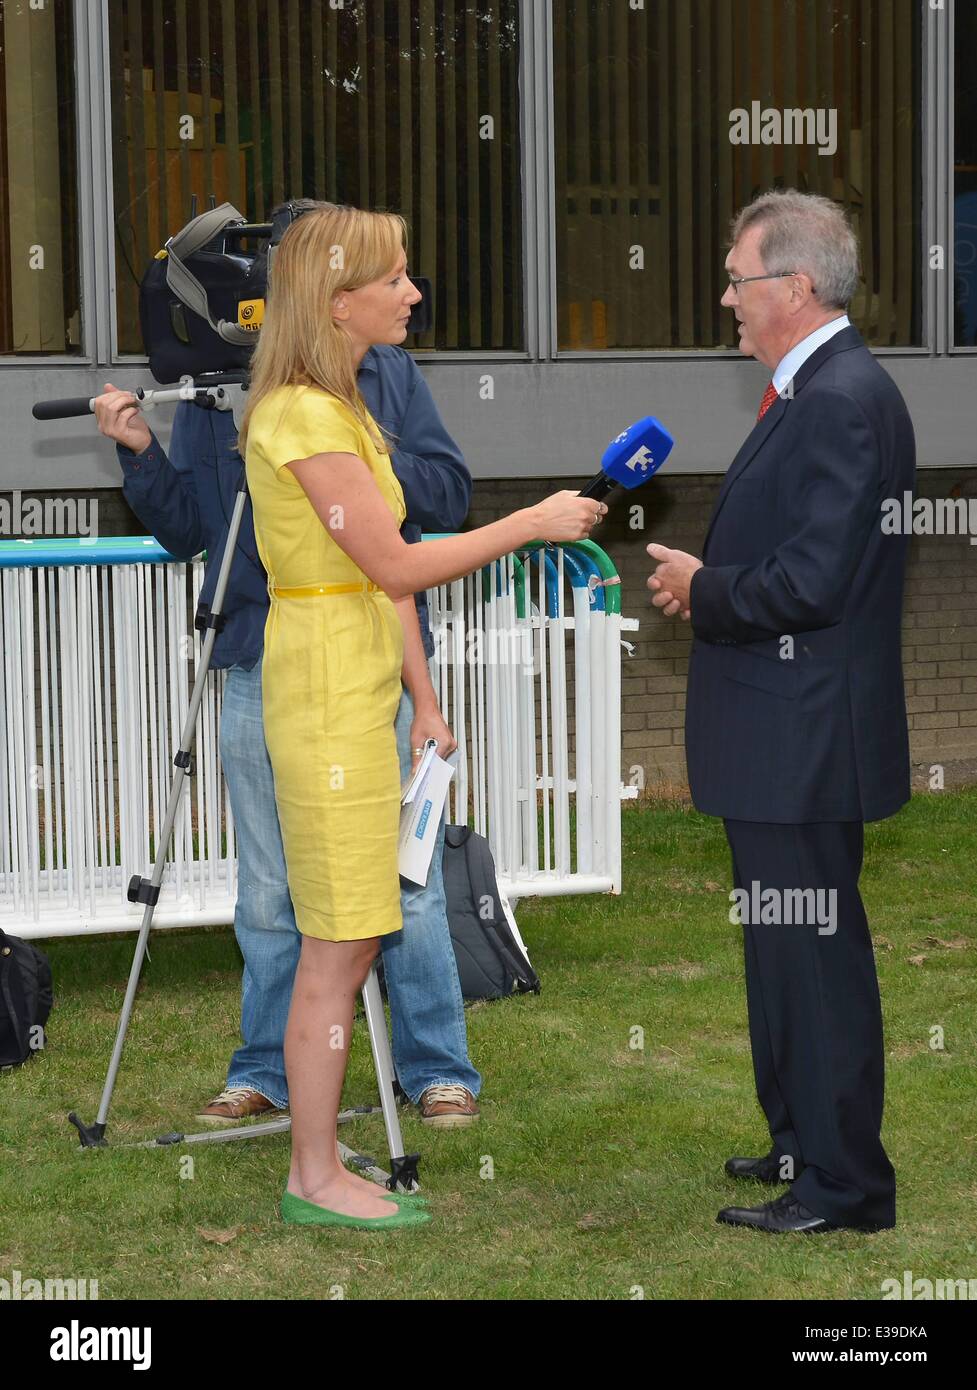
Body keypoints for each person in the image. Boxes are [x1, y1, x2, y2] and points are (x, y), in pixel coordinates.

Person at [235, 200, 605, 1228]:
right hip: (319, 694)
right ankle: (313, 1175)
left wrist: (425, 699)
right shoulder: (301, 416)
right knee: (339, 940)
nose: (411, 292)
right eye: (392, 277)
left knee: (354, 931)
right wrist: (529, 524)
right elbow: (393, 561)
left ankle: (317, 1149)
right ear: (335, 297)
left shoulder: (345, 409)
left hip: (356, 685)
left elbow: (383, 578)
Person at [94, 206, 483, 1133]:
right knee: (270, 889)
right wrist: (143, 456)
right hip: (254, 661)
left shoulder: (381, 373)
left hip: (363, 663)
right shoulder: (226, 387)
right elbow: (193, 528)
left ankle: (436, 1068)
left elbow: (449, 488)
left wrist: (358, 472)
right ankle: (266, 1070)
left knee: (402, 879)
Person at [646, 190, 913, 1234]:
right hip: (779, 734)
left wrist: (702, 590)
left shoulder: (840, 396)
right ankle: (801, 1141)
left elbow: (812, 578)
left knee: (812, 962)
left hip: (801, 740)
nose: (725, 299)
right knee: (778, 953)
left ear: (793, 288)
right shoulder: (813, 390)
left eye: (736, 278)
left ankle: (844, 1189)